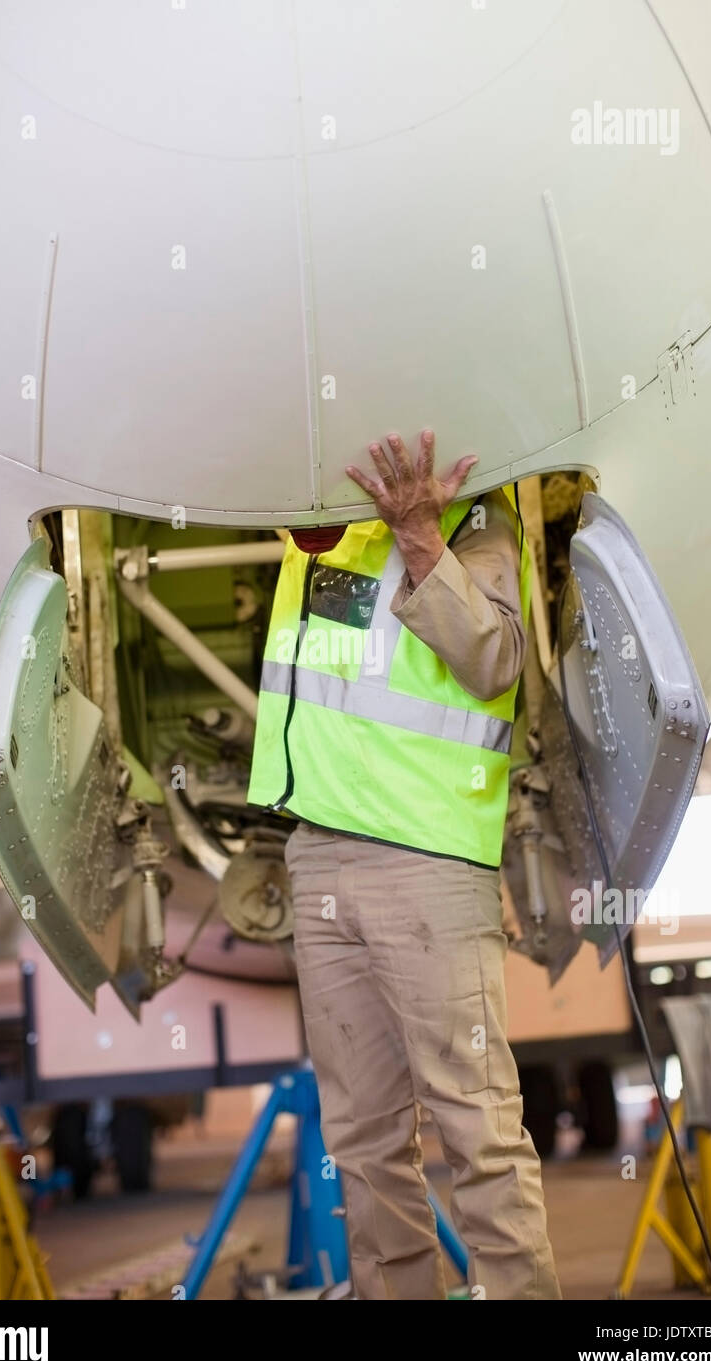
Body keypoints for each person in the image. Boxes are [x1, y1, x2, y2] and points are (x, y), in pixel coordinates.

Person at [247, 429, 561, 1300]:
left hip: (425, 856)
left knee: (477, 1128)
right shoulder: (318, 526)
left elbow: (495, 661)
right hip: (319, 855)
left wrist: (420, 535)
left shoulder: (475, 518)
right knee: (362, 1141)